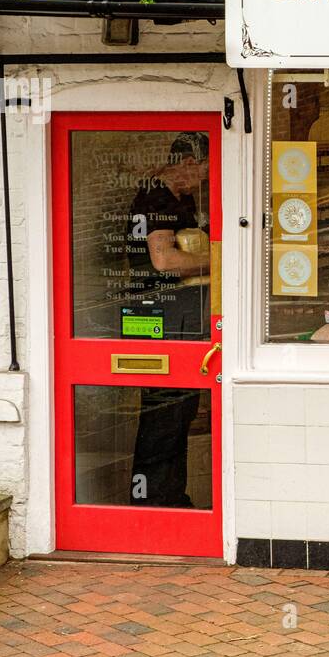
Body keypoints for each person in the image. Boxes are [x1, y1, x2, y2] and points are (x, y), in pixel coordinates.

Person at [125, 131, 211, 508]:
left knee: (181, 412)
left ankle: (173, 497)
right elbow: (164, 260)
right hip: (158, 315)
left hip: (182, 314)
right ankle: (152, 502)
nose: (206, 177)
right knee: (163, 412)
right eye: (204, 168)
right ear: (188, 164)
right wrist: (218, 260)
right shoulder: (156, 199)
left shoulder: (182, 198)